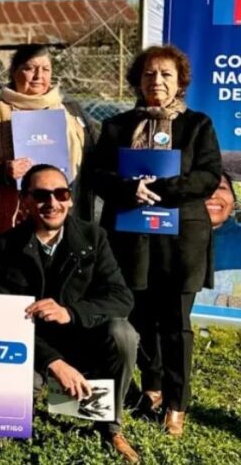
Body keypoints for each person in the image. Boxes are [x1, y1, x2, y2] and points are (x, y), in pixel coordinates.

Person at [93, 45, 221, 437]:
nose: (157, 82)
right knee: (140, 315)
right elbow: (99, 174)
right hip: (132, 236)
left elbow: (208, 175)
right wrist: (128, 190)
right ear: (137, 80)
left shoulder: (198, 125)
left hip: (182, 239)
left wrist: (160, 189)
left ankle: (177, 403)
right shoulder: (116, 127)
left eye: (166, 74)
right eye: (149, 74)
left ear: (180, 81)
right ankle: (150, 387)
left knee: (176, 322)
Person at [0, 164, 139, 464]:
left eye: (61, 193)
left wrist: (71, 313)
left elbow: (121, 297)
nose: (52, 203)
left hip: (82, 340)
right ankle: (10, 419)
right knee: (21, 391)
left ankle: (109, 426)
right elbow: (1, 319)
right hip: (32, 347)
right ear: (25, 200)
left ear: (70, 199)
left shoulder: (94, 237)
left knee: (124, 334)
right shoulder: (2, 247)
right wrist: (53, 362)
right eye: (42, 195)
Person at [0, 44, 96, 239]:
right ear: (13, 71)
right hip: (7, 214)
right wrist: (2, 170)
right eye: (30, 68)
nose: (38, 76)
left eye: (45, 69)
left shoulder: (70, 112)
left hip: (57, 211)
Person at [198, 172, 241, 309]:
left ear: (234, 202)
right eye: (203, 187)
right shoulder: (163, 240)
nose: (212, 194)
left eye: (221, 188)